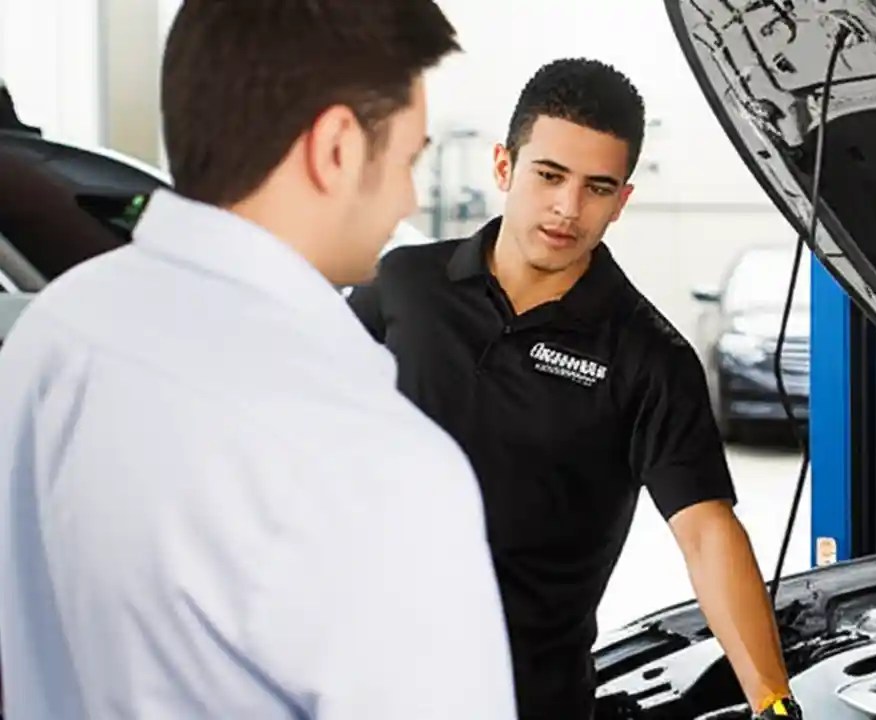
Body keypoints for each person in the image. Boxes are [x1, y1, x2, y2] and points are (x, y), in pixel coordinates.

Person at [0, 2, 516, 718]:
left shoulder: (51, 336)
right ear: (336, 147)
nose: (408, 195)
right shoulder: (378, 468)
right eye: (409, 158)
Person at [348, 58, 803, 720]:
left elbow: (707, 533)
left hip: (525, 700)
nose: (568, 208)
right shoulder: (405, 287)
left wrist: (772, 701)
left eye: (597, 187)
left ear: (622, 200)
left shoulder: (649, 357)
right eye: (550, 176)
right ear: (504, 168)